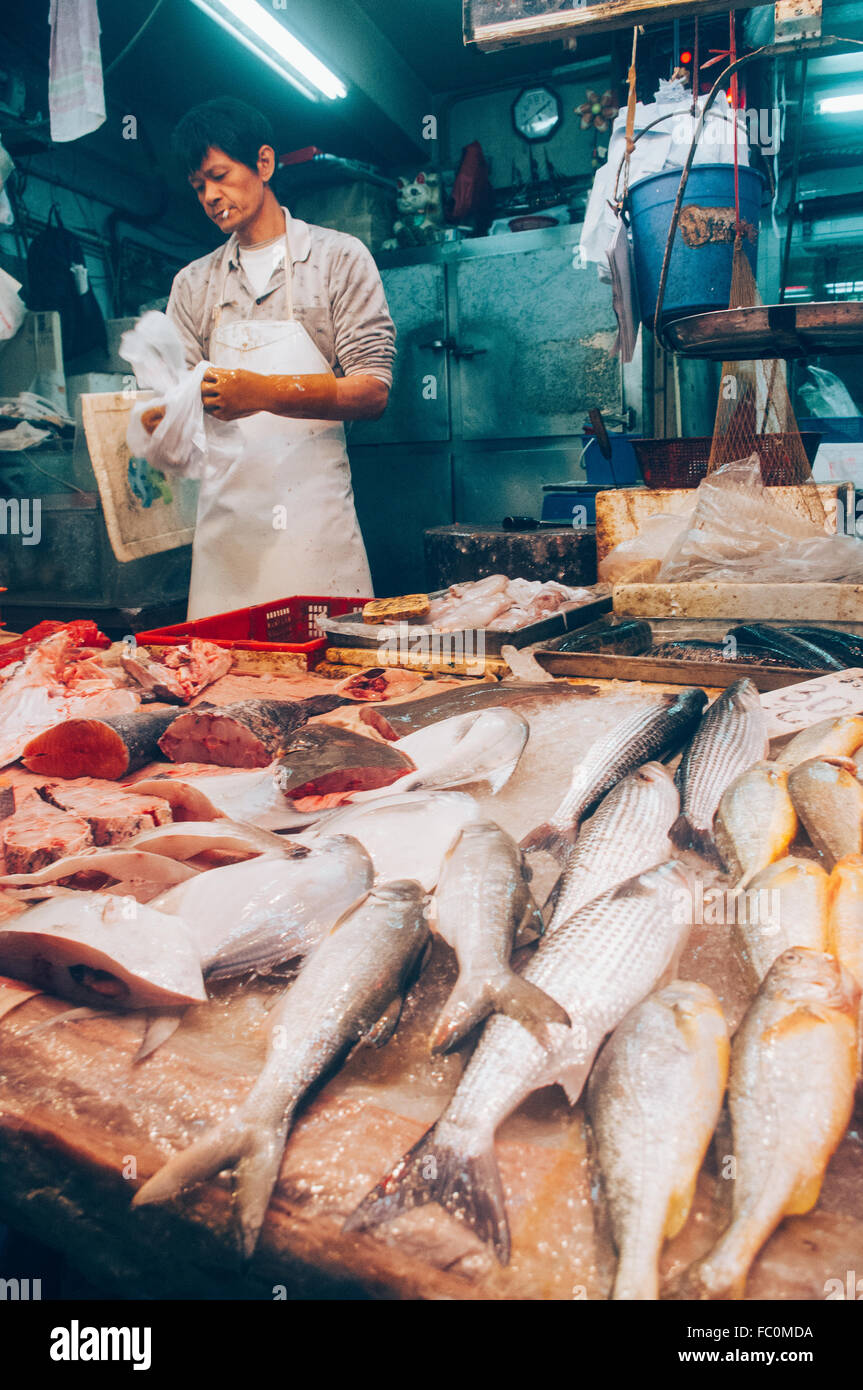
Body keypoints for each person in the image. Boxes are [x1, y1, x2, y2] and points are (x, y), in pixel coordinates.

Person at [144, 98, 395, 619]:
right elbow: (175, 406)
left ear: (263, 163)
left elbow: (372, 392)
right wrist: (156, 421)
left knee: (339, 686)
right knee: (219, 686)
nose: (212, 196)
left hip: (314, 525)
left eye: (219, 175)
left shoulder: (337, 258)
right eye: (199, 187)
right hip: (227, 534)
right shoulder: (192, 285)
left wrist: (263, 394)